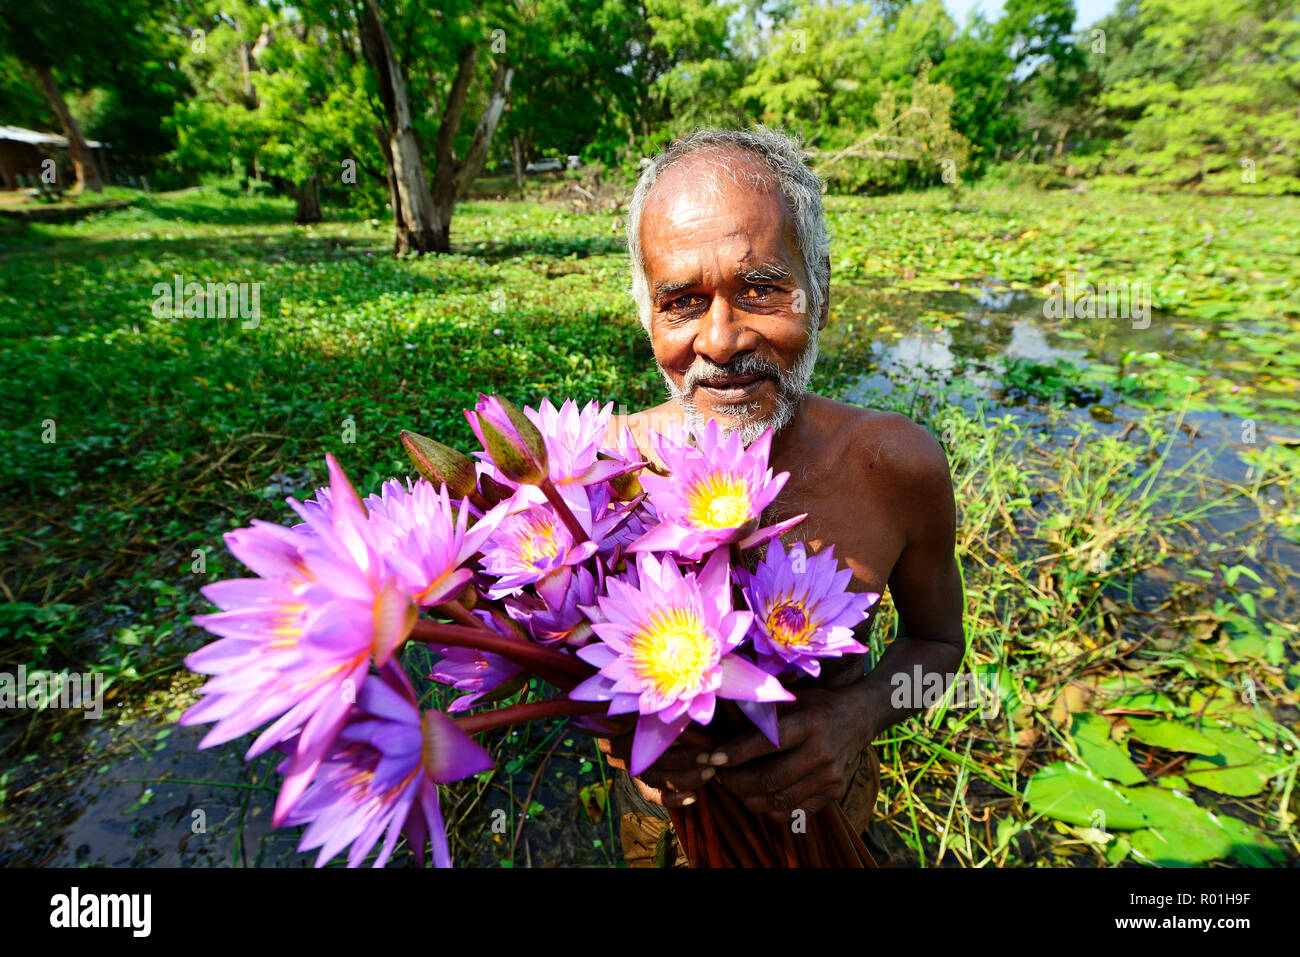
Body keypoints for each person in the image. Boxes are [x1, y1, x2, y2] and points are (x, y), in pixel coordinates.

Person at [598, 127, 966, 866]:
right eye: (682, 301)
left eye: (761, 288)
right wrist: (627, 749)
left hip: (829, 818)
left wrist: (853, 717)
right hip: (664, 831)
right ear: (647, 317)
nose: (723, 339)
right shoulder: (606, 473)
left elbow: (938, 646)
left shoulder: (895, 465)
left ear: (821, 291)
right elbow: (575, 668)